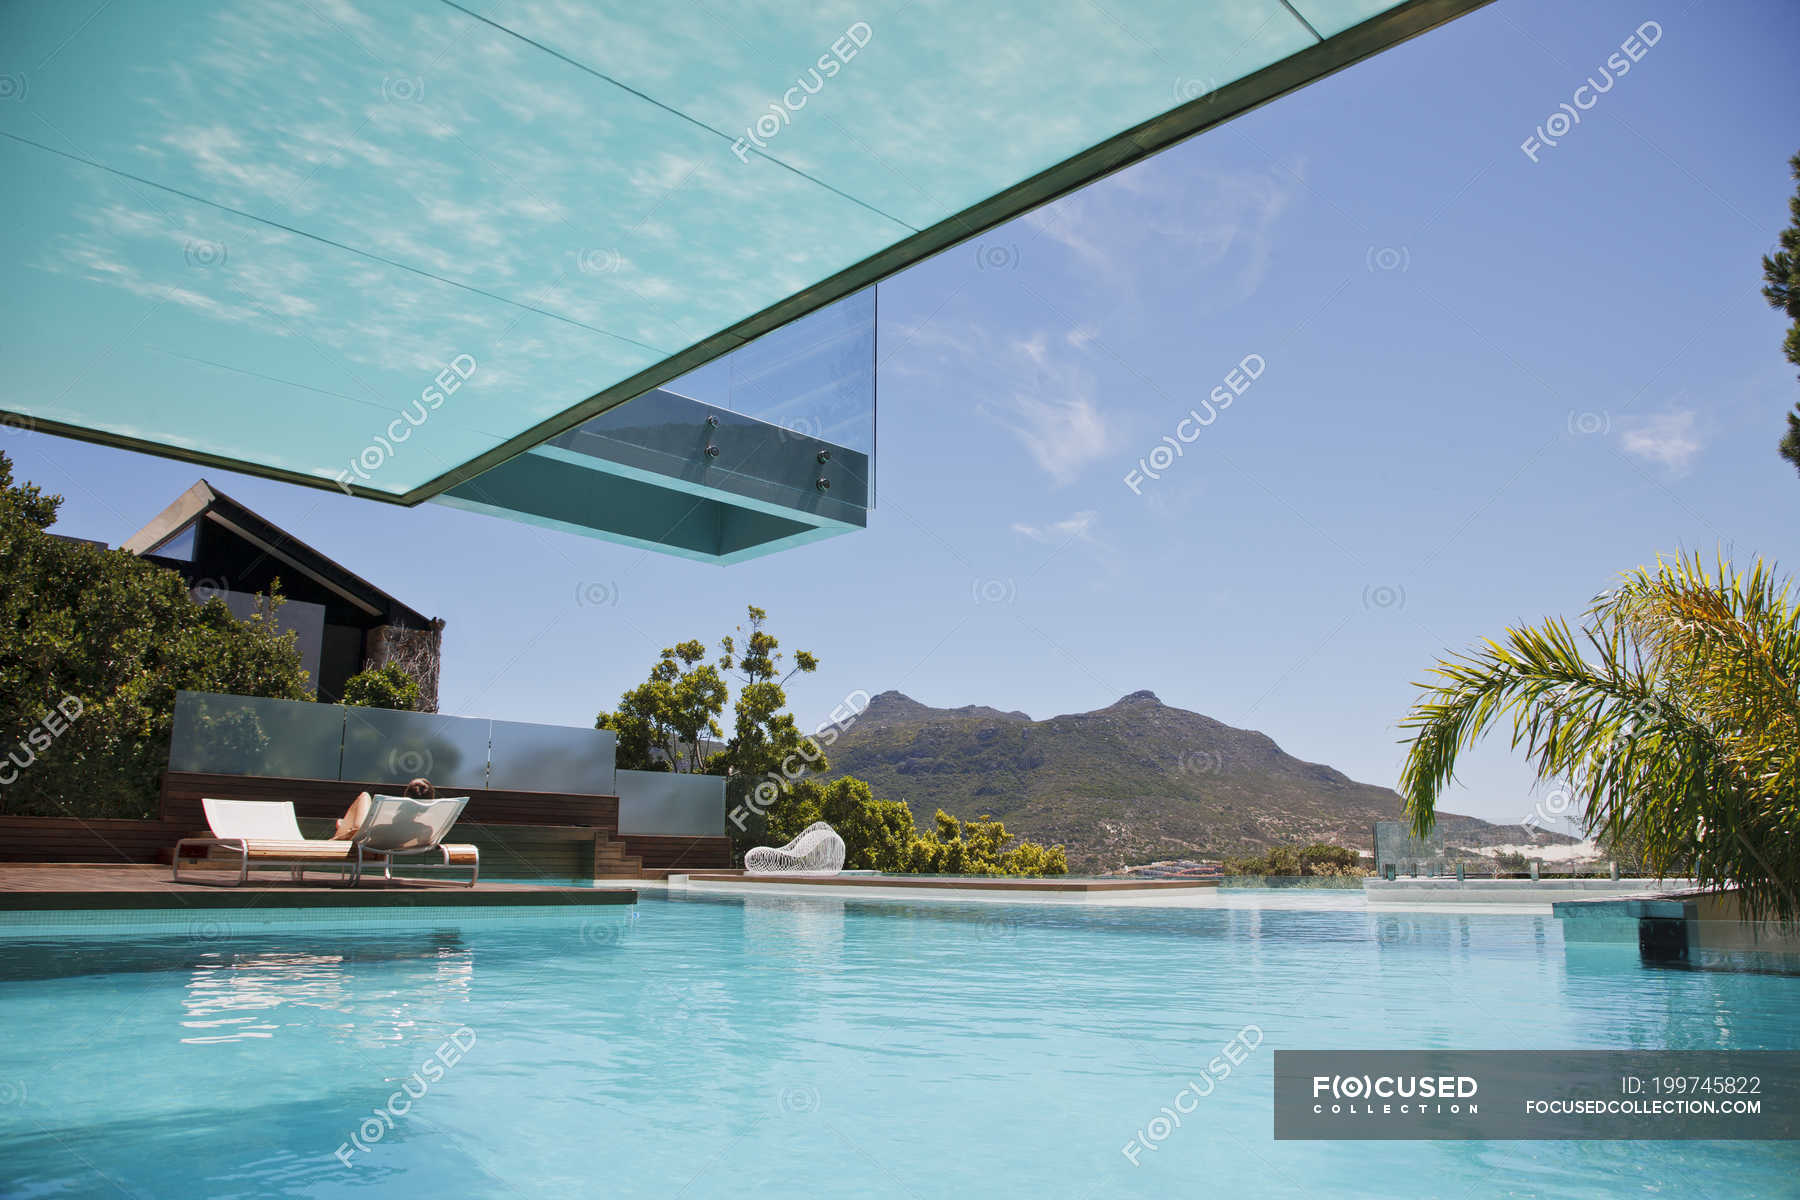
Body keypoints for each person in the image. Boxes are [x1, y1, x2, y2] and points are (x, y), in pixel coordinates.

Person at [334, 777, 435, 839]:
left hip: (360, 837)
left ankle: (343, 826)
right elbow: (425, 840)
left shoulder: (387, 821)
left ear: (406, 796)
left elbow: (358, 833)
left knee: (364, 796)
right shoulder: (424, 829)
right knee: (344, 823)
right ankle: (344, 825)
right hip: (376, 842)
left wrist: (339, 837)